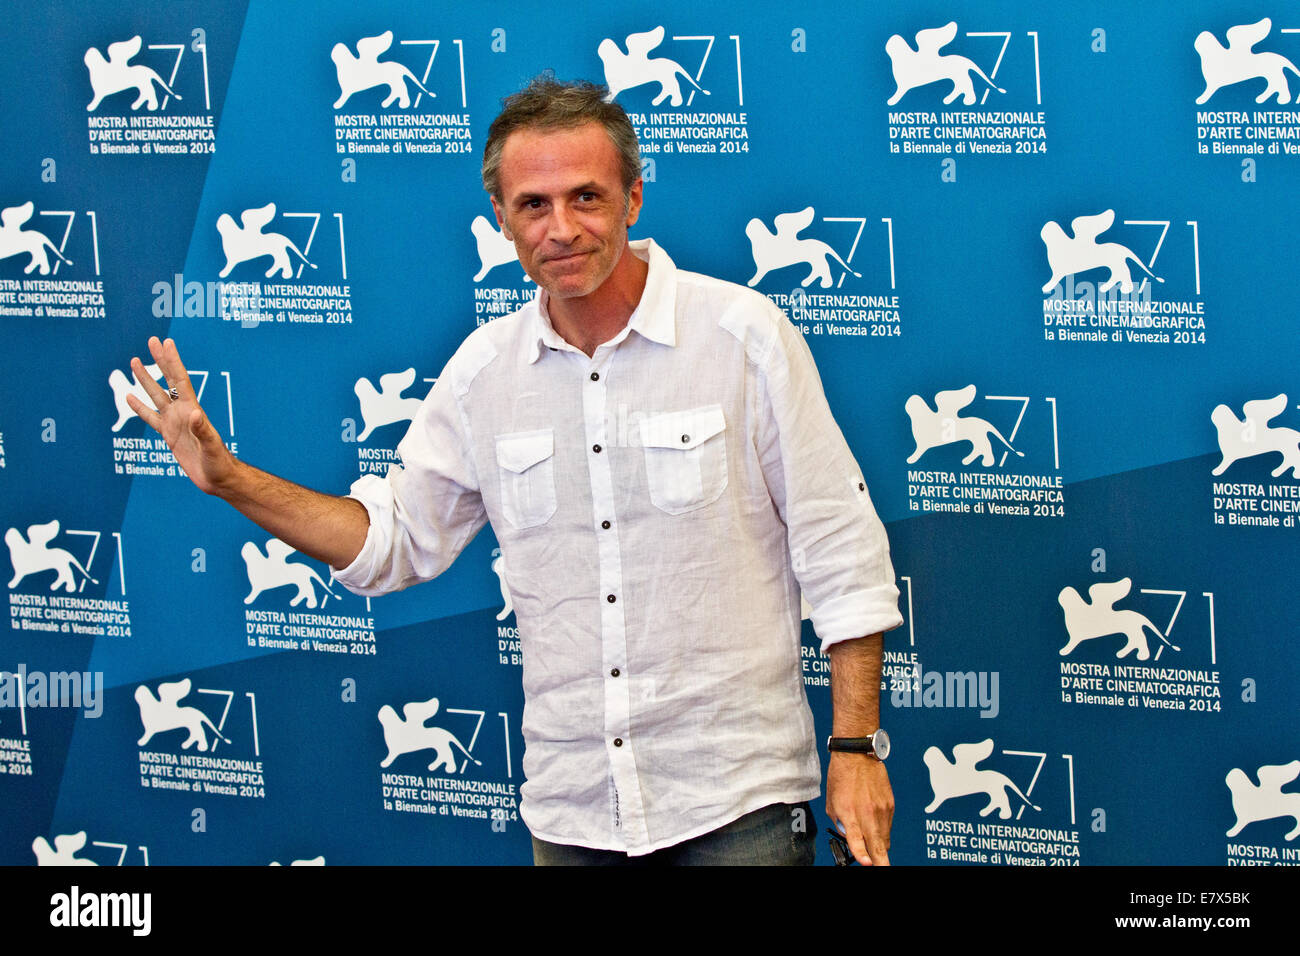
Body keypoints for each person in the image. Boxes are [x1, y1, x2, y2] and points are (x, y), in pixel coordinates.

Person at [128, 75, 902, 866]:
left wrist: (856, 748)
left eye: (586, 198)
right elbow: (391, 544)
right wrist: (231, 479)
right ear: (501, 218)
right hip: (572, 817)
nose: (561, 229)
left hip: (736, 808)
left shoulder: (743, 336)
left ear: (634, 199)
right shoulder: (482, 374)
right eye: (533, 204)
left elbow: (841, 554)